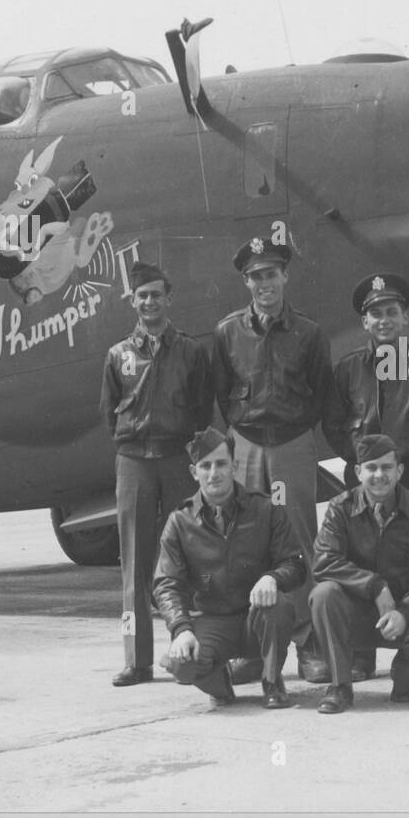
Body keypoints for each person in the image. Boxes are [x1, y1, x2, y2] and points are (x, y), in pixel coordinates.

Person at [212, 236, 333, 683]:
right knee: (245, 541)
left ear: (285, 275)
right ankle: (253, 646)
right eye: (255, 277)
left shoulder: (308, 333)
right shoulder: (228, 332)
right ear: (246, 282)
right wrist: (242, 440)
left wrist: (291, 433)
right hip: (245, 444)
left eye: (271, 274)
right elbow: (223, 394)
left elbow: (321, 393)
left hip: (291, 444)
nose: (264, 283)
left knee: (300, 541)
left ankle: (309, 643)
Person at [322, 273, 409, 683]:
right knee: (362, 553)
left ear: (405, 317)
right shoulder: (348, 368)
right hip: (367, 479)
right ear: (365, 322)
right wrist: (363, 461)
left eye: (391, 312)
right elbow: (333, 422)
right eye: (375, 313)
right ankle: (361, 653)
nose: (383, 320)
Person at [100, 261, 212, 687]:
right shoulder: (117, 355)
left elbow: (202, 410)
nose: (149, 302)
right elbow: (109, 413)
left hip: (176, 459)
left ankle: (196, 652)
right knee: (134, 565)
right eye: (142, 295)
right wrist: (131, 446)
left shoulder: (191, 352)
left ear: (169, 298)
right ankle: (135, 659)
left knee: (190, 556)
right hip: (133, 462)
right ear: (133, 301)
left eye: (156, 294)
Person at [153, 428, 304, 709]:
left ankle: (272, 680)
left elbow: (294, 563)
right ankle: (220, 684)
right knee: (181, 665)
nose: (214, 473)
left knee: (280, 607)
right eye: (205, 466)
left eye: (221, 464)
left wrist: (272, 578)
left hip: (255, 617)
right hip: (212, 621)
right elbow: (166, 584)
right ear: (193, 471)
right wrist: (181, 629)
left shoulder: (266, 510)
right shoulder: (179, 522)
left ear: (234, 466)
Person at [309, 435, 409, 713]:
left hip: (403, 615)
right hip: (357, 614)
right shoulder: (341, 508)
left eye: (387, 468)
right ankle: (340, 685)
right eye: (371, 467)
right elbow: (324, 562)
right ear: (358, 471)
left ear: (399, 471)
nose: (379, 475)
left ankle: (404, 677)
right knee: (323, 594)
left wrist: (406, 612)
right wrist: (374, 585)